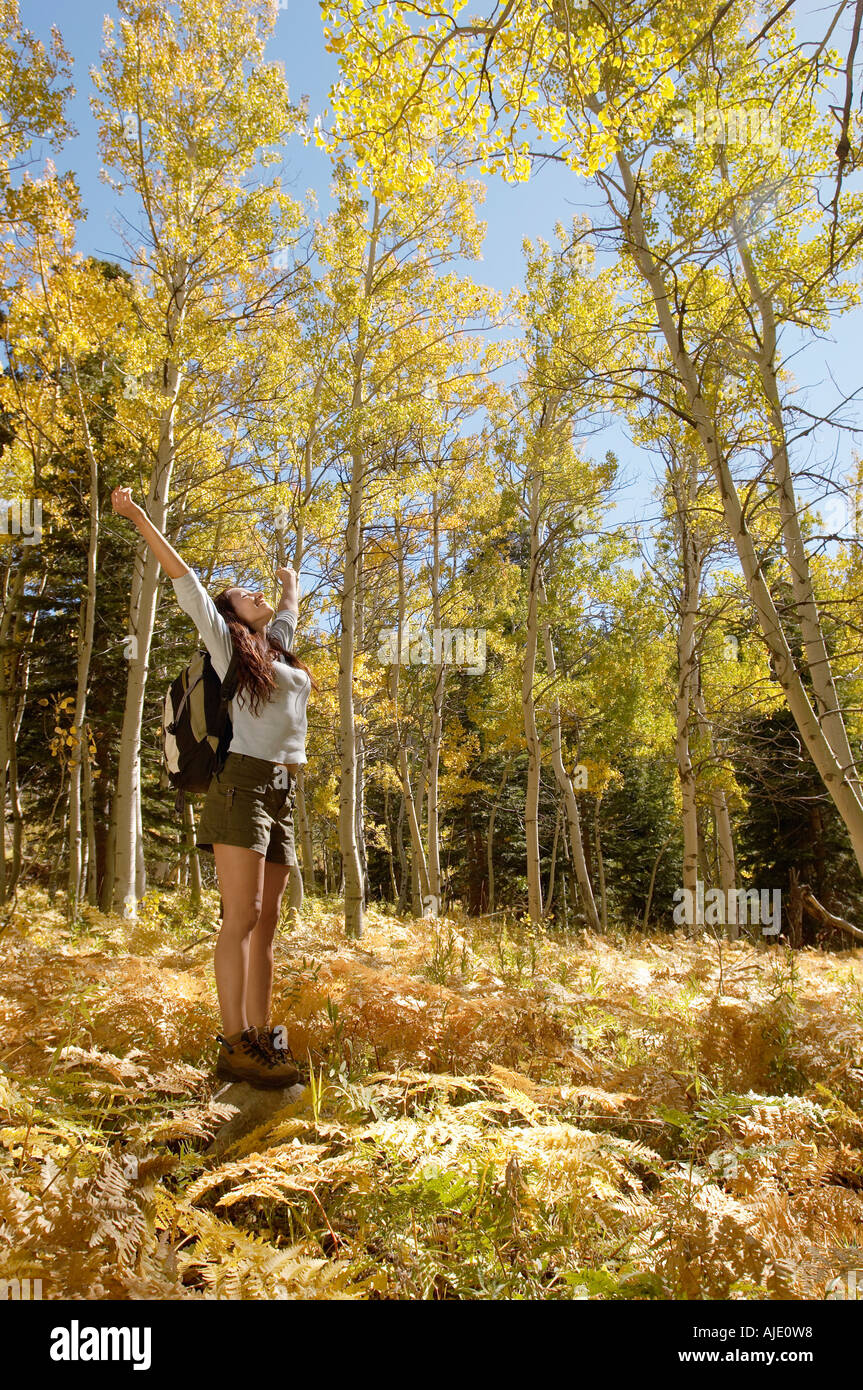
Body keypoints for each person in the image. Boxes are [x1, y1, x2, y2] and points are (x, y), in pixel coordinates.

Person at [111, 486, 315, 1090]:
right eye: (243, 595)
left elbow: (288, 610)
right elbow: (187, 582)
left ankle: (264, 1040)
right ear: (229, 616)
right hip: (241, 786)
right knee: (242, 916)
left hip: (283, 790)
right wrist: (140, 518)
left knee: (270, 922)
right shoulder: (229, 647)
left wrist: (286, 584)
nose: (255, 595)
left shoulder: (276, 648)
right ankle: (233, 1045)